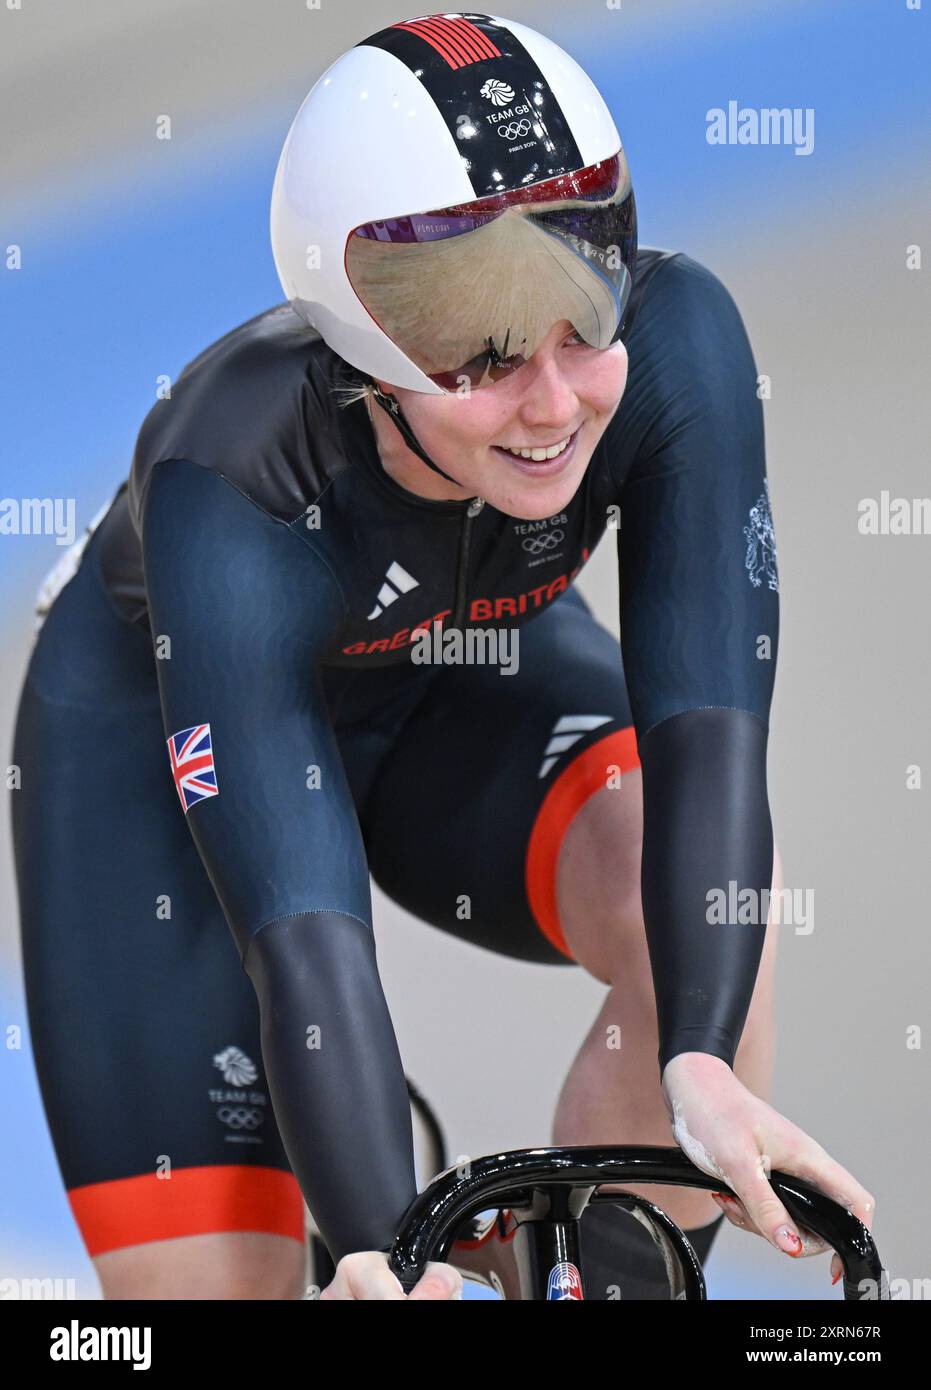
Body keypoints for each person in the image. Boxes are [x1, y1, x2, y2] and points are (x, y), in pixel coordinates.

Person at [12, 11, 872, 1302]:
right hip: (153, 765)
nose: (548, 404)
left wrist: (695, 1057)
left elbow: (711, 732)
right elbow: (303, 932)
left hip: (461, 678)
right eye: (477, 355)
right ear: (353, 334)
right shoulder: (231, 469)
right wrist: (374, 1242)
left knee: (679, 885)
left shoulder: (681, 336)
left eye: (583, 322)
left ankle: (598, 1272)